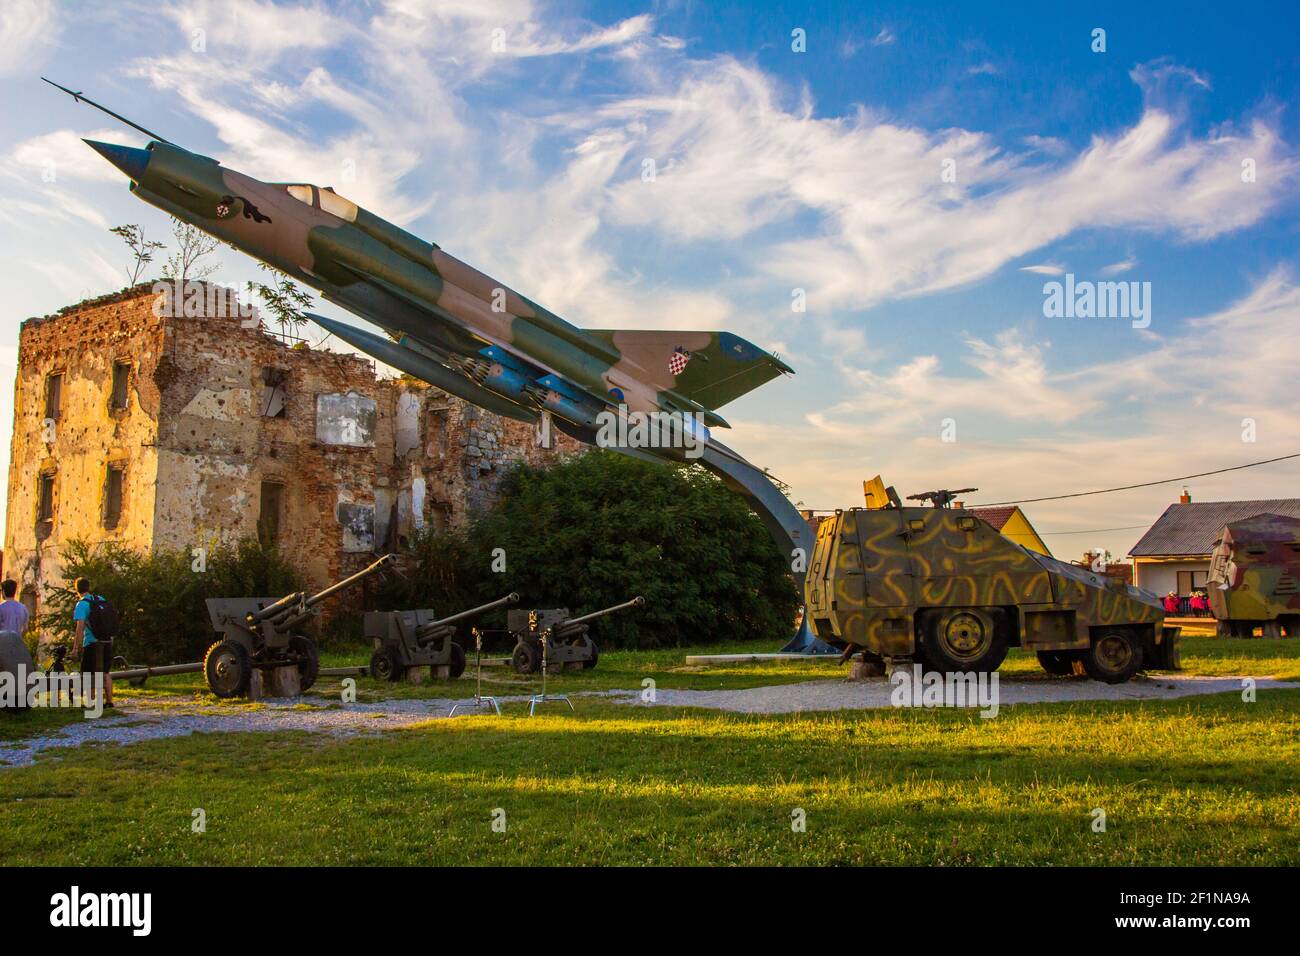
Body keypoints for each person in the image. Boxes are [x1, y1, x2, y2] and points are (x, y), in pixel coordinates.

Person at [74, 577, 115, 708]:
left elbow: (80, 627)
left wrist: (76, 647)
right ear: (89, 588)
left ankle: (91, 702)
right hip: (106, 640)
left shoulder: (82, 604)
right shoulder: (101, 599)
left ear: (77, 590)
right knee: (106, 672)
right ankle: (109, 701)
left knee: (88, 672)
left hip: (91, 642)